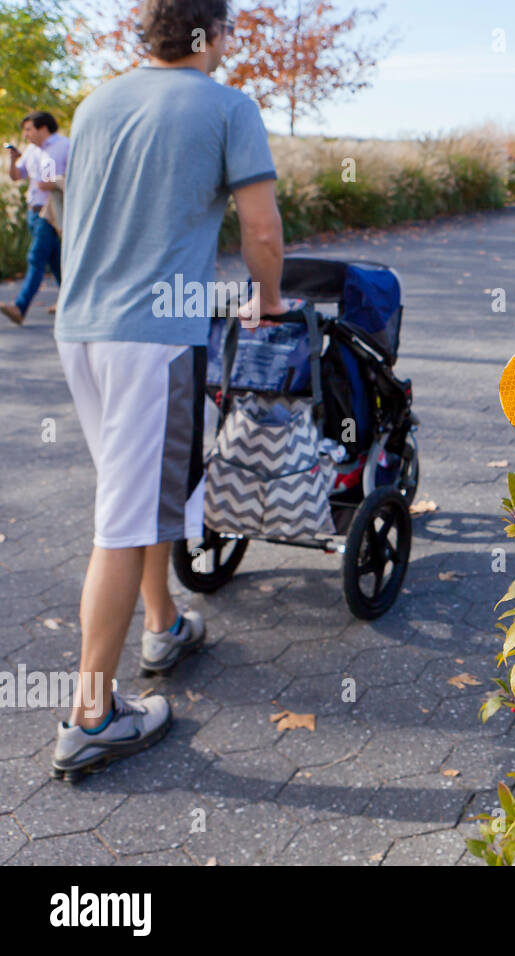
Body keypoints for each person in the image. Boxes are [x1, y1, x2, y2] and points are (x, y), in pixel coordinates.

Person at [51, 0, 288, 779]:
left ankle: (162, 625)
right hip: (152, 340)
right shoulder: (227, 107)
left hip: (81, 327)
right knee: (120, 519)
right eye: (227, 34)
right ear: (212, 36)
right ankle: (90, 716)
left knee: (138, 489)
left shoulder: (96, 104)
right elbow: (261, 230)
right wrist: (271, 300)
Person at [2, 111, 70, 325]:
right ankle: (70, 303)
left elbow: (79, 175)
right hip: (33, 211)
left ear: (43, 128)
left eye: (29, 129)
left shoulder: (64, 146)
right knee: (55, 262)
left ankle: (20, 307)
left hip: (51, 213)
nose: (26, 134)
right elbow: (16, 176)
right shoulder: (32, 151)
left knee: (36, 257)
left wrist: (55, 182)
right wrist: (13, 161)